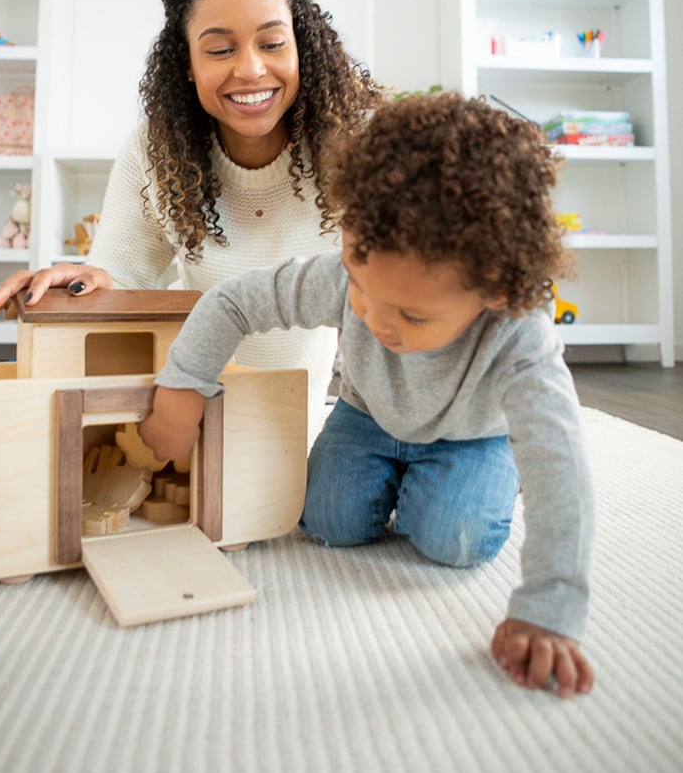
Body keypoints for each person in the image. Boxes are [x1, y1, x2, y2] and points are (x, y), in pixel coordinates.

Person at [138, 92, 595, 699]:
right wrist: (183, 388)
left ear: (496, 292)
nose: (375, 321)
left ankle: (489, 472)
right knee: (326, 520)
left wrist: (550, 608)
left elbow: (561, 468)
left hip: (470, 437)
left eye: (412, 314)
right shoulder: (348, 271)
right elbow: (231, 301)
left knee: (454, 538)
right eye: (361, 287)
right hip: (367, 416)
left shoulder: (519, 332)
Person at [0, 0, 382, 430]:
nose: (251, 69)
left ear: (302, 47)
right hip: (191, 406)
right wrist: (83, 282)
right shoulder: (157, 151)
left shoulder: (360, 141)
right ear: (188, 64)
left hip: (298, 421)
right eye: (220, 49)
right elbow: (121, 277)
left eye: (273, 43)